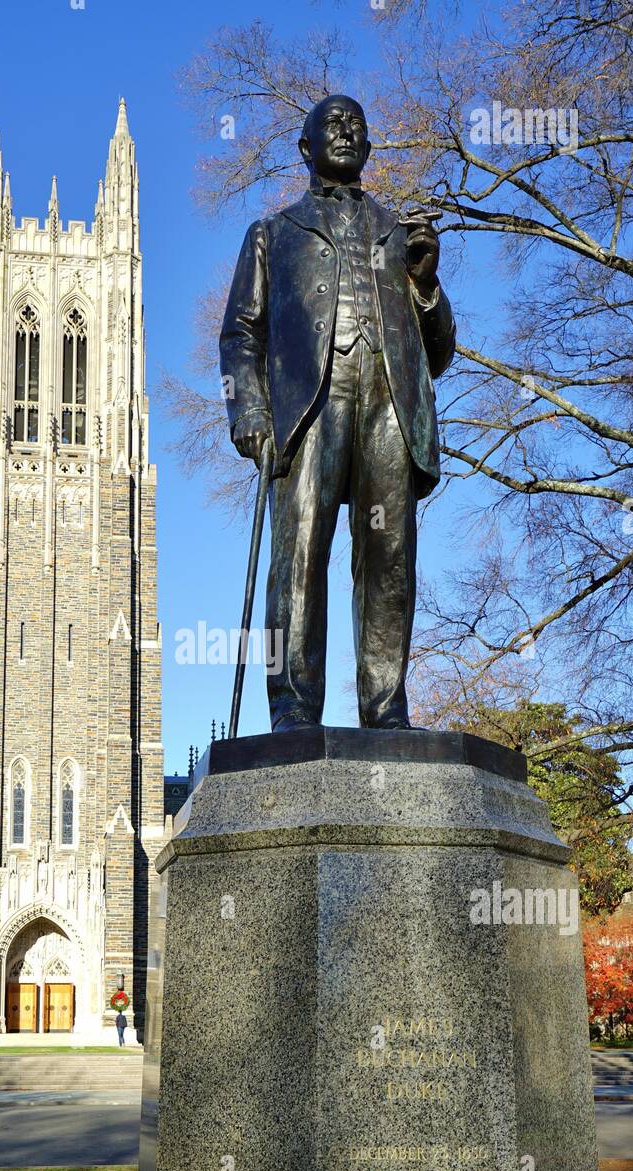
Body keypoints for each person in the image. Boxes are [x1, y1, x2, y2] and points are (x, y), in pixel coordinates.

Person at [220, 95, 456, 731]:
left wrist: (427, 286)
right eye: (333, 124)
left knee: (389, 556)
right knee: (298, 559)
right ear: (306, 148)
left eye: (357, 125)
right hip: (309, 406)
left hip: (389, 402)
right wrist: (248, 406)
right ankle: (293, 710)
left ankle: (386, 709)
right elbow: (242, 333)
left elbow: (438, 355)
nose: (347, 131)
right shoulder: (273, 234)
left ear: (370, 147)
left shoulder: (400, 238)